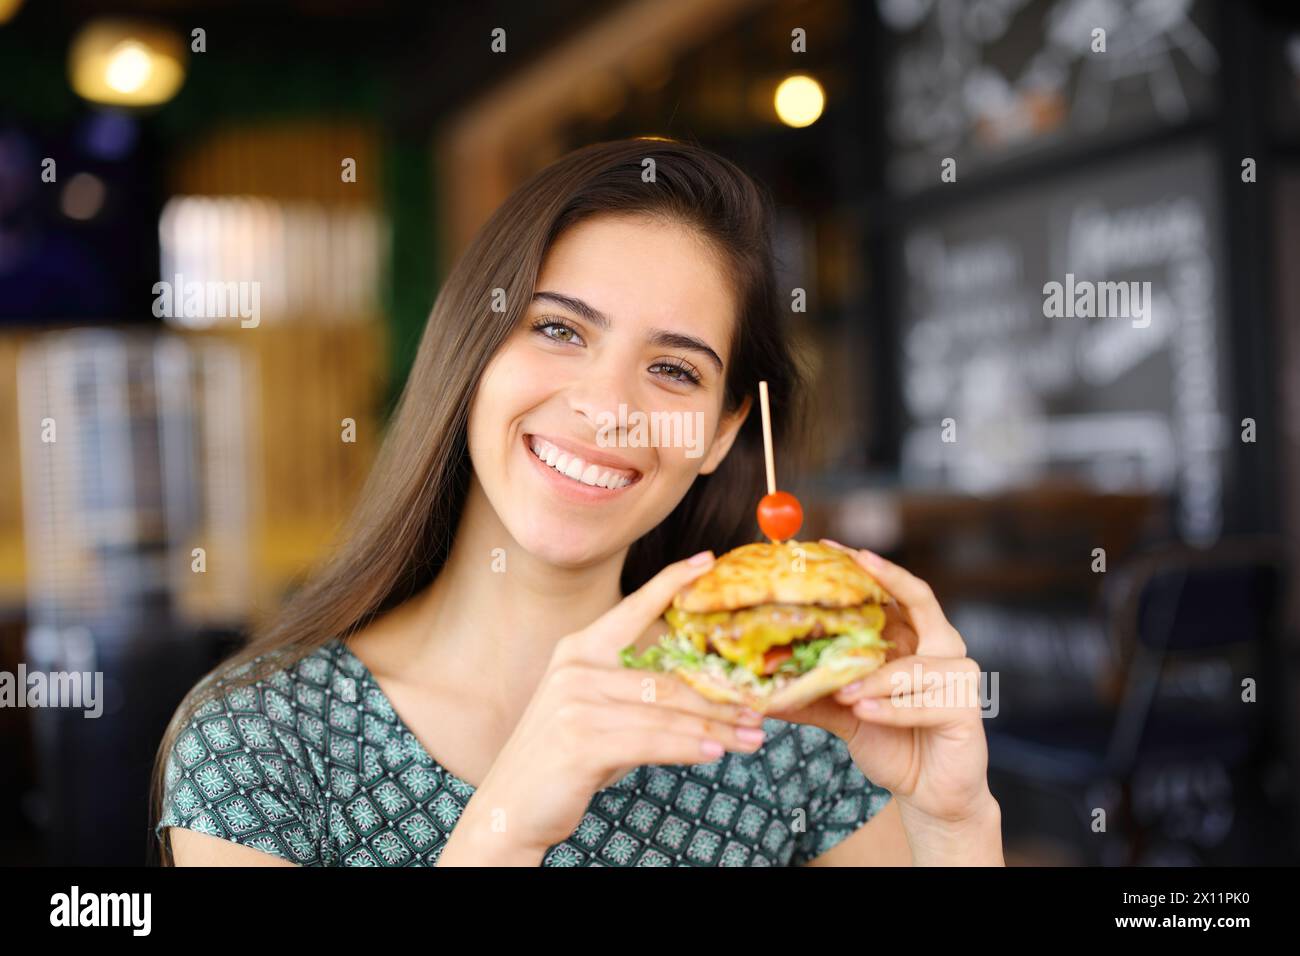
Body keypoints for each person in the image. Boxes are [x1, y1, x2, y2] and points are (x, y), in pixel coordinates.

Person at [152, 138, 1003, 866]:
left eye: (674, 370)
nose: (610, 407)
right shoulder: (261, 740)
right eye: (559, 328)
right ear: (472, 352)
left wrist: (954, 823)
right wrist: (504, 827)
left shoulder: (794, 732)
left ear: (721, 431)